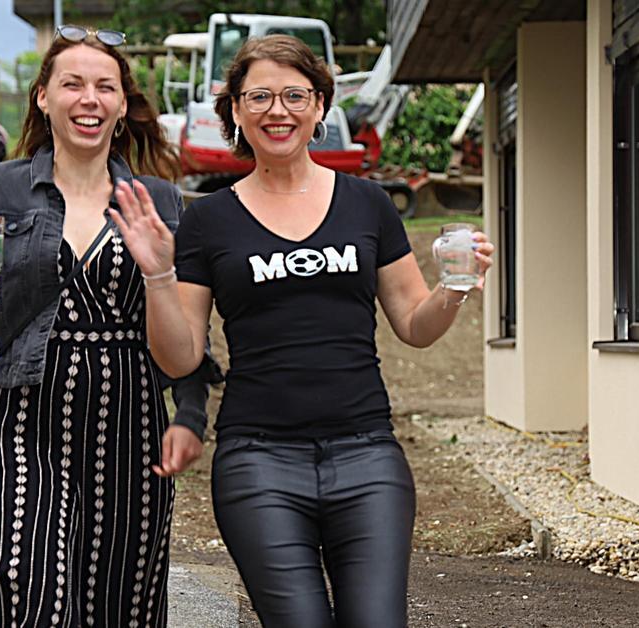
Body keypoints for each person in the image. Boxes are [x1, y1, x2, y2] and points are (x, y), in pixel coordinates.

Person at [110, 34, 495, 627]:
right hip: (258, 461)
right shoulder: (208, 219)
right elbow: (183, 357)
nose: (277, 110)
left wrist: (456, 287)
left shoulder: (369, 204)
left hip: (367, 455)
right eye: (259, 96)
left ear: (320, 105)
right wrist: (159, 274)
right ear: (235, 110)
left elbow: (415, 327)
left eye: (295, 95)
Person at [0, 25, 215, 627]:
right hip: (24, 420)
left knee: (123, 599)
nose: (88, 98)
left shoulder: (159, 201)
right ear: (43, 96)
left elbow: (192, 338)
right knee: (22, 587)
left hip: (132, 426)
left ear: (122, 105)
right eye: (72, 84)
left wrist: (189, 416)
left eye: (104, 87)